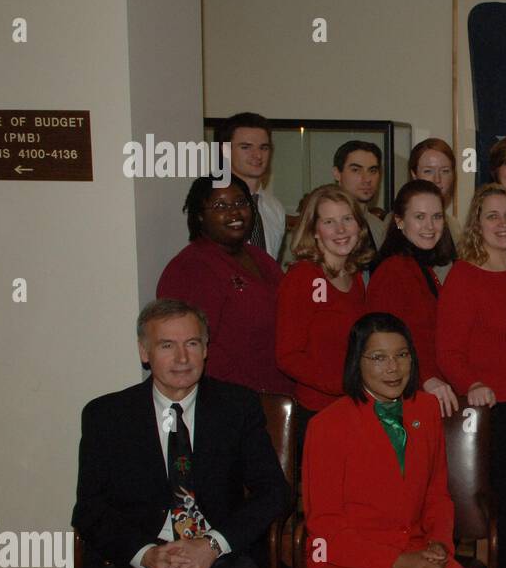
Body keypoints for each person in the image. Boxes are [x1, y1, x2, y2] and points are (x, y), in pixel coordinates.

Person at [73, 299, 288, 568]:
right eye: (167, 345)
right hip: (139, 562)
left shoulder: (238, 407)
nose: (182, 357)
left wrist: (212, 545)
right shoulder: (107, 416)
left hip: (218, 558)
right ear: (144, 351)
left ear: (207, 348)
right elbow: (89, 509)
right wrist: (145, 553)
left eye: (192, 343)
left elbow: (273, 492)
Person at [303, 313, 485, 568]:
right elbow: (324, 529)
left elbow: (438, 495)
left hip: (415, 546)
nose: (393, 368)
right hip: (345, 559)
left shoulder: (424, 409)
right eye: (379, 358)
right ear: (357, 363)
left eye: (402, 355)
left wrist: (440, 542)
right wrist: (395, 561)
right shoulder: (327, 424)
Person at [436, 185, 506, 568]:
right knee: (501, 512)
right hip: (489, 412)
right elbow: (447, 350)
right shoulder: (463, 275)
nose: (502, 223)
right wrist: (472, 383)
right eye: (492, 216)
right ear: (477, 224)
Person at [157, 175, 293, 397]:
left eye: (241, 203)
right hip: (234, 400)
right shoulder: (191, 268)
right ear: (200, 216)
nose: (235, 212)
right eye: (220, 206)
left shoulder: (258, 256)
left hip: (279, 393)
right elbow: (191, 348)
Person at [276, 185, 372, 461]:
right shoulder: (302, 278)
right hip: (318, 413)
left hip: (356, 408)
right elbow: (288, 356)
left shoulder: (353, 277)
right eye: (329, 222)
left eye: (347, 219)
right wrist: (341, 383)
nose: (340, 230)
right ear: (314, 230)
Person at [367, 180, 460, 416]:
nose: (430, 226)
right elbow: (386, 342)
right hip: (406, 395)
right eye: (419, 217)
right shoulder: (394, 270)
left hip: (425, 390)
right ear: (399, 221)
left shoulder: (421, 266)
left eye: (437, 217)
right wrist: (427, 378)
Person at [216, 112, 285, 259]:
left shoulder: (275, 208)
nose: (257, 155)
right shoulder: (212, 206)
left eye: (264, 148)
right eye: (246, 147)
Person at [408, 138, 460, 282]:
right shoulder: (398, 221)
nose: (437, 179)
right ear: (414, 175)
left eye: (445, 171)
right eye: (428, 171)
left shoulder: (454, 225)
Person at [332, 140, 389, 252]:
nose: (367, 179)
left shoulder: (380, 228)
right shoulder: (325, 225)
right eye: (356, 170)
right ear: (337, 173)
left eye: (372, 170)